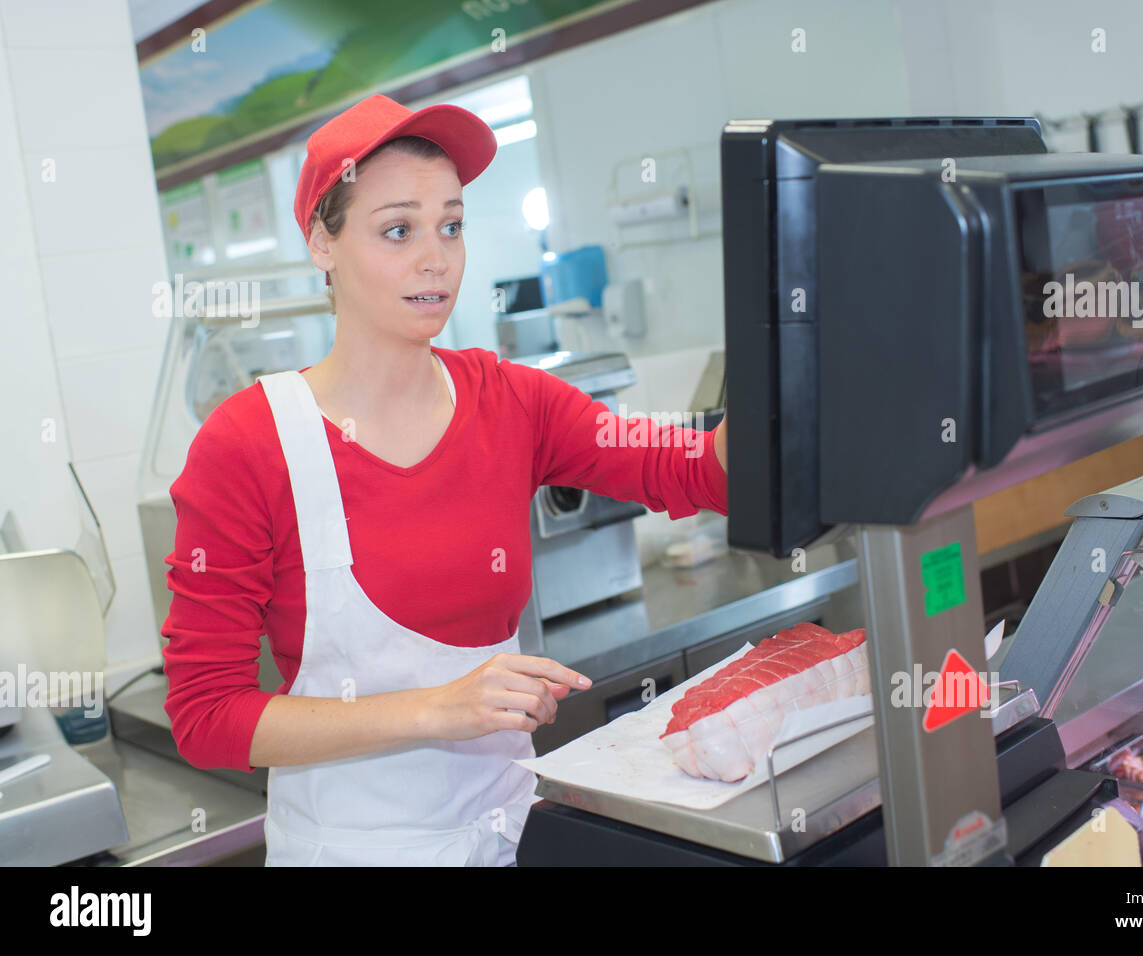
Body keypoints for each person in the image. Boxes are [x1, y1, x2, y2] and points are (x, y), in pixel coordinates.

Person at [161, 94, 730, 866]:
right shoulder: (249, 444)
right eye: (398, 230)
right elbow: (205, 717)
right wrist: (433, 710)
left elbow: (686, 464)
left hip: (510, 836)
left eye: (452, 225)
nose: (438, 258)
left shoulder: (511, 400)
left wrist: (787, 375)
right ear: (322, 243)